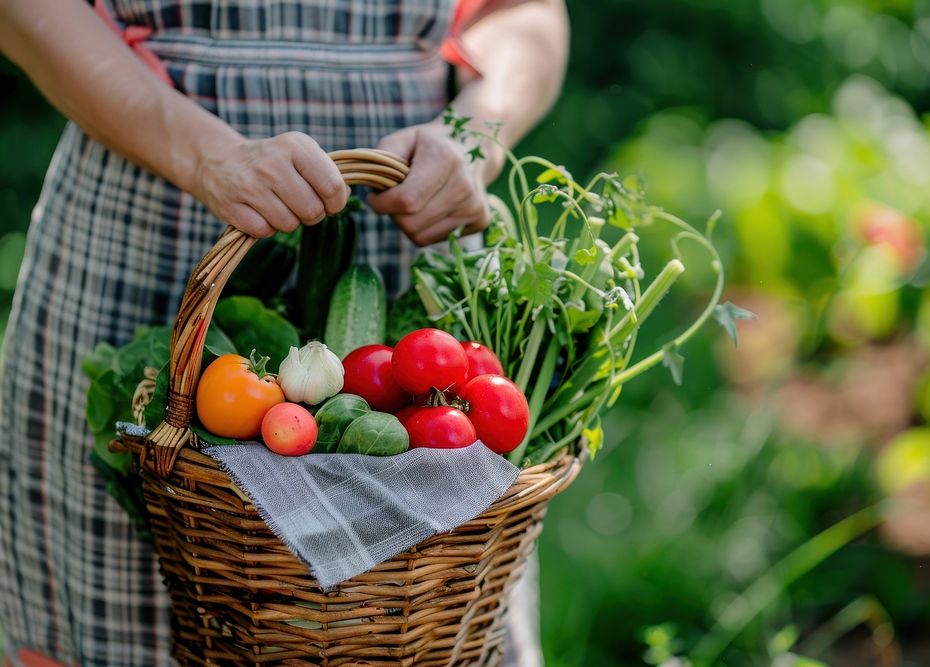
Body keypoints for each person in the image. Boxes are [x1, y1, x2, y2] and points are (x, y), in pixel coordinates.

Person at [0, 0, 568, 664]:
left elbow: (523, 11)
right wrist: (203, 155)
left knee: (417, 612)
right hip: (153, 211)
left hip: (412, 227)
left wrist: (472, 139)